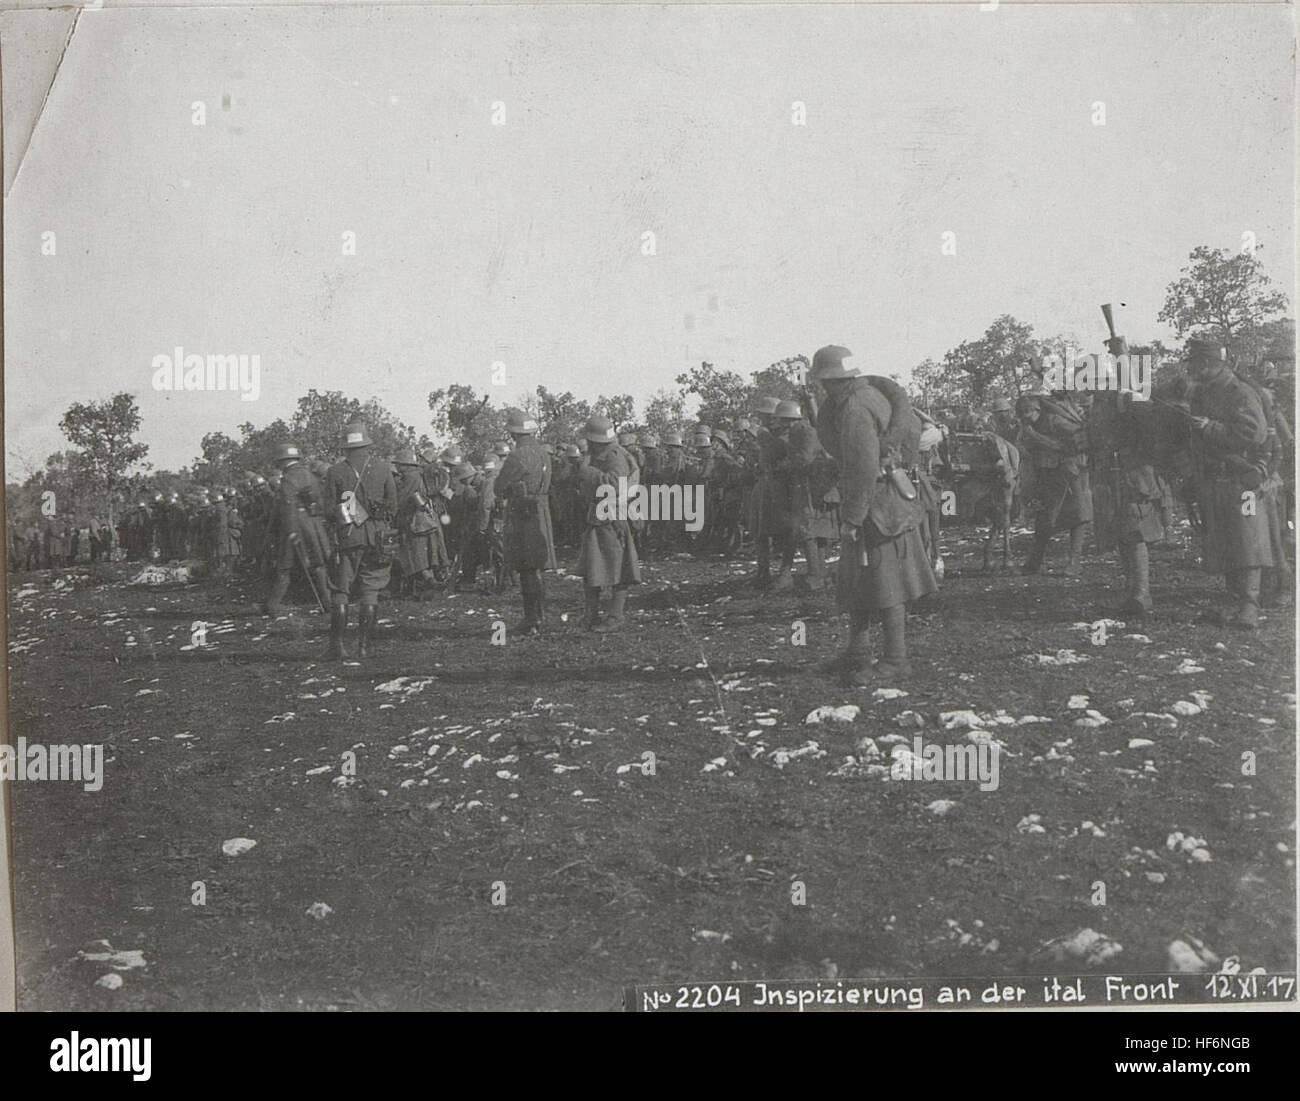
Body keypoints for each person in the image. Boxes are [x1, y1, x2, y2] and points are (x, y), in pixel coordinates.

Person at [810, 344, 937, 684]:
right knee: (859, 580)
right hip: (881, 502)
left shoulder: (854, 409)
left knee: (886, 582)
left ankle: (896, 659)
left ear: (830, 380)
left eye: (822, 381)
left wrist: (852, 518)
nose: (821, 388)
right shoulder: (869, 396)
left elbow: (864, 468)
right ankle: (857, 652)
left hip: (876, 509)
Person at [1186, 337, 1272, 628]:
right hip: (1214, 479)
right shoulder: (1205, 392)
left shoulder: (1239, 390)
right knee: (1223, 538)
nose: (1192, 369)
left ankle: (1250, 605)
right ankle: (1235, 599)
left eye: (1195, 363)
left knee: (1248, 539)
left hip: (1242, 479)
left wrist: (1211, 427)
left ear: (1209, 364)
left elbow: (1254, 433)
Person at [1088, 334, 1168, 616]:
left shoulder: (1125, 398)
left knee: (1135, 533)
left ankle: (1141, 593)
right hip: (1111, 477)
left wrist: (1124, 356)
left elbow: (1141, 400)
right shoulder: (1098, 403)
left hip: (1133, 475)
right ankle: (1131, 591)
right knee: (1121, 535)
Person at [322, 423, 398, 658]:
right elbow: (393, 506)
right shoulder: (384, 468)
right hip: (378, 537)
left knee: (341, 590)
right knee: (371, 590)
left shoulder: (335, 472)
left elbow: (328, 510)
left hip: (349, 537)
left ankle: (337, 647)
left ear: (346, 447)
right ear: (367, 444)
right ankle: (364, 647)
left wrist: (347, 512)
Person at [1019, 373, 1093, 574]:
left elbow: (1072, 445)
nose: (1027, 420)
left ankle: (1074, 562)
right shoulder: (1031, 426)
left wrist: (1037, 438)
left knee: (1078, 516)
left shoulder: (1054, 421)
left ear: (1037, 409)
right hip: (1048, 475)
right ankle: (1035, 562)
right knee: (1045, 520)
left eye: (1029, 415)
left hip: (1071, 472)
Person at [493, 409, 557, 634]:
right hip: (541, 510)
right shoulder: (543, 453)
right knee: (536, 567)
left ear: (513, 434)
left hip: (523, 513)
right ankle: (539, 616)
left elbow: (498, 487)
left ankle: (532, 619)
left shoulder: (517, 456)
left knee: (526, 568)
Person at [575, 415, 641, 630]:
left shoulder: (614, 456)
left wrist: (587, 471)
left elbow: (614, 484)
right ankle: (592, 615)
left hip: (612, 517)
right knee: (593, 567)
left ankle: (615, 616)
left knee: (618, 568)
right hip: (602, 515)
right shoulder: (606, 454)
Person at [263, 443, 332, 615]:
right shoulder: (310, 475)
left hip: (295, 524)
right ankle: (327, 602)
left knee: (284, 566)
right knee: (319, 564)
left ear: (282, 461)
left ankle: (272, 605)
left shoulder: (288, 478)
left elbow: (288, 506)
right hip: (313, 523)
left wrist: (292, 531)